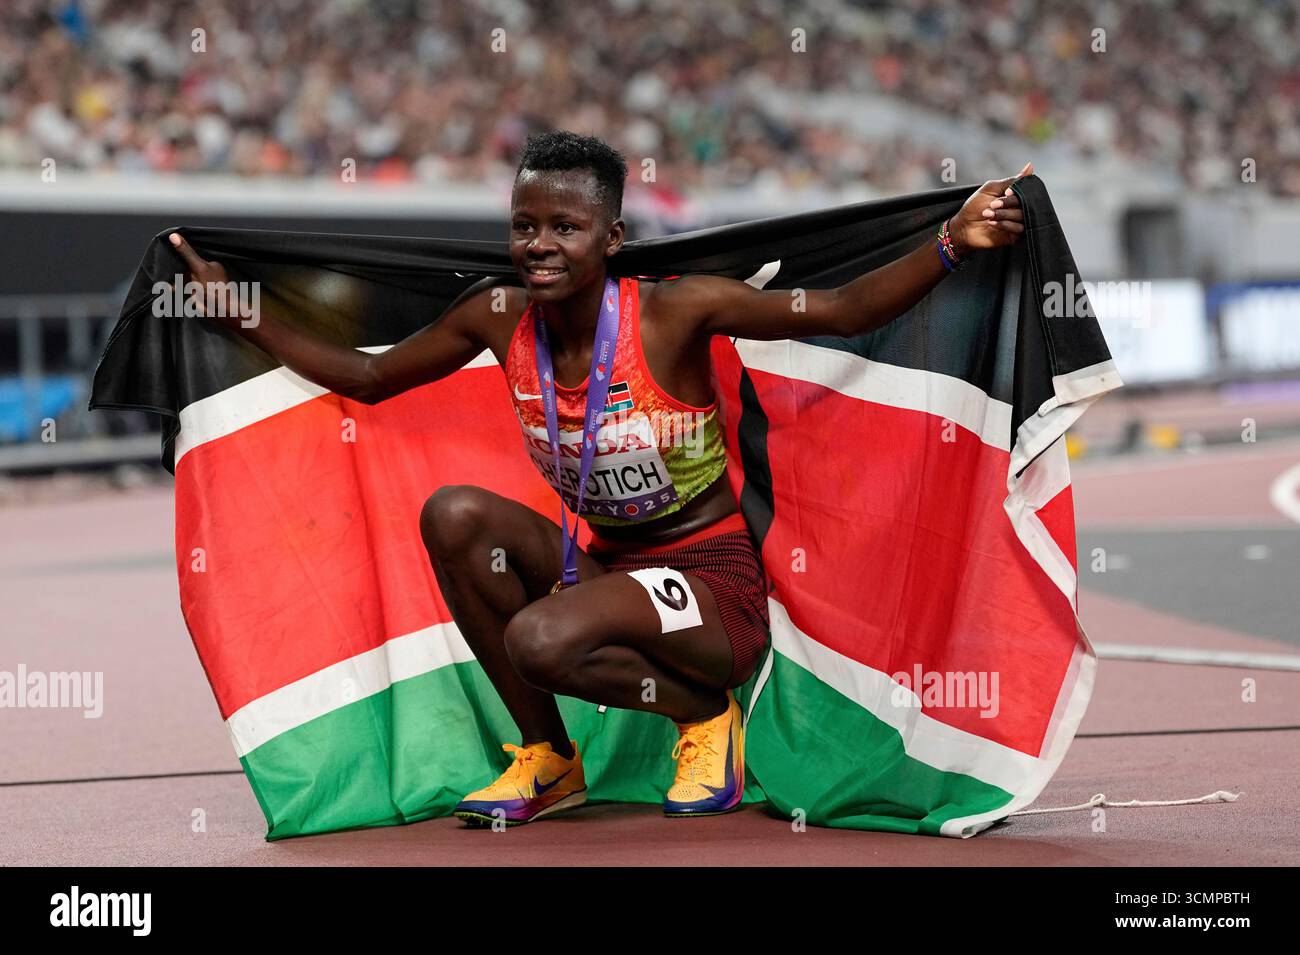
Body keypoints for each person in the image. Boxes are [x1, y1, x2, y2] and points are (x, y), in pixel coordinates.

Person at [166, 129, 1028, 827]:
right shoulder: (495, 316)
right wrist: (237, 310)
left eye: (564, 228)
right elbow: (367, 376)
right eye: (524, 226)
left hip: (711, 591)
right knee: (455, 516)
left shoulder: (676, 311)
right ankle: (549, 761)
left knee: (538, 640)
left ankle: (701, 715)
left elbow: (840, 311)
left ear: (609, 239)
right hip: (603, 570)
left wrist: (954, 242)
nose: (539, 246)